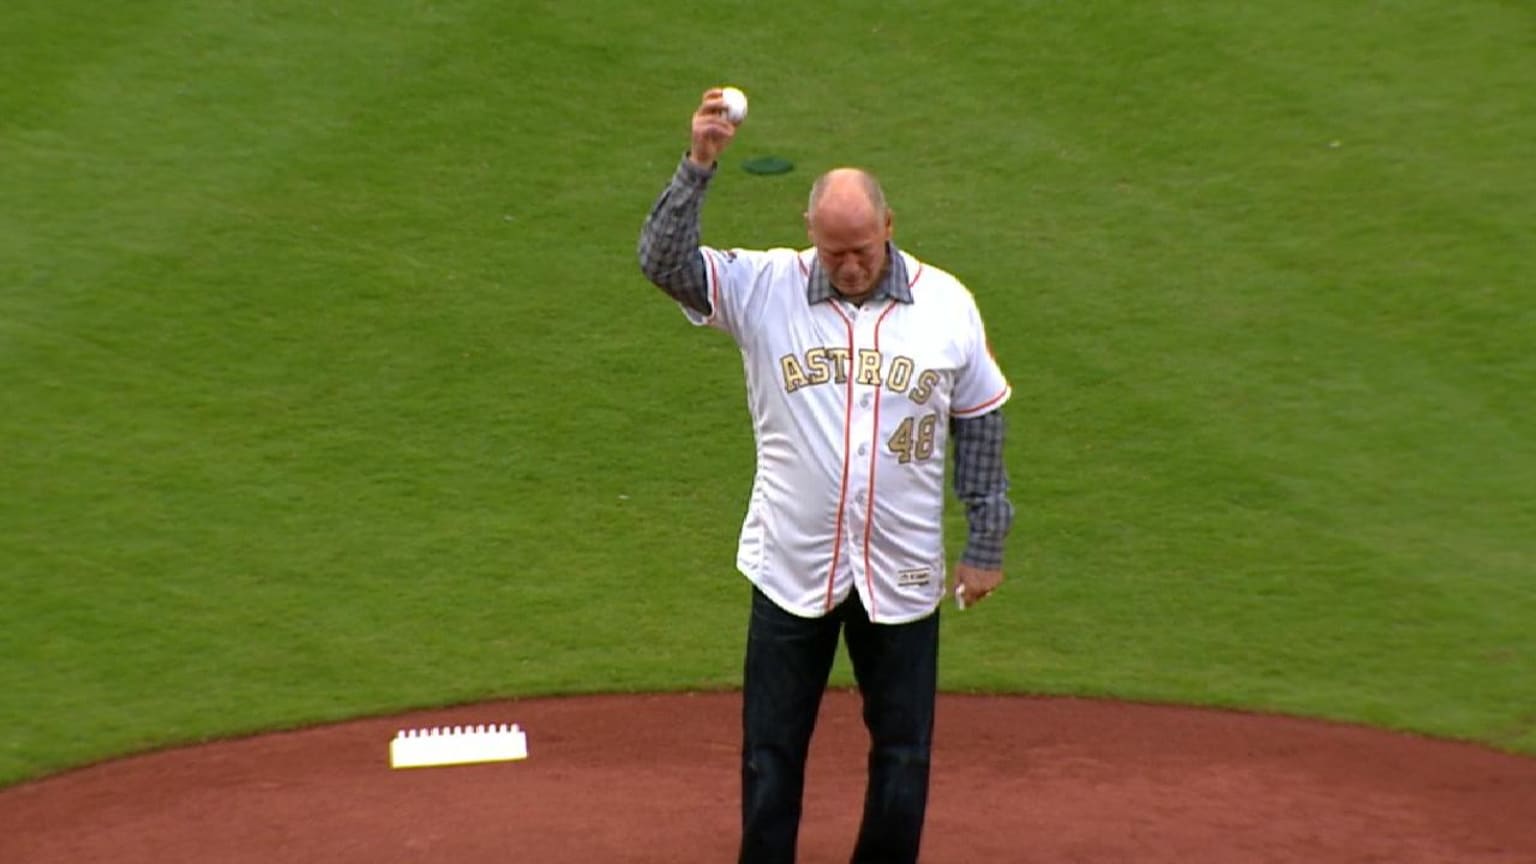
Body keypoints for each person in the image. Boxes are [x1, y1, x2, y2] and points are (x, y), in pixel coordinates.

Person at [637, 87, 1014, 864]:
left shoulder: (948, 306)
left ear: (889, 229)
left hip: (902, 571)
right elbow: (663, 263)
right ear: (809, 232)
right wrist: (699, 164)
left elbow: (979, 418)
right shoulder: (762, 287)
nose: (849, 266)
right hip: (790, 564)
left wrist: (987, 538)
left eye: (863, 250)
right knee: (771, 752)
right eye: (835, 250)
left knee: (904, 754)